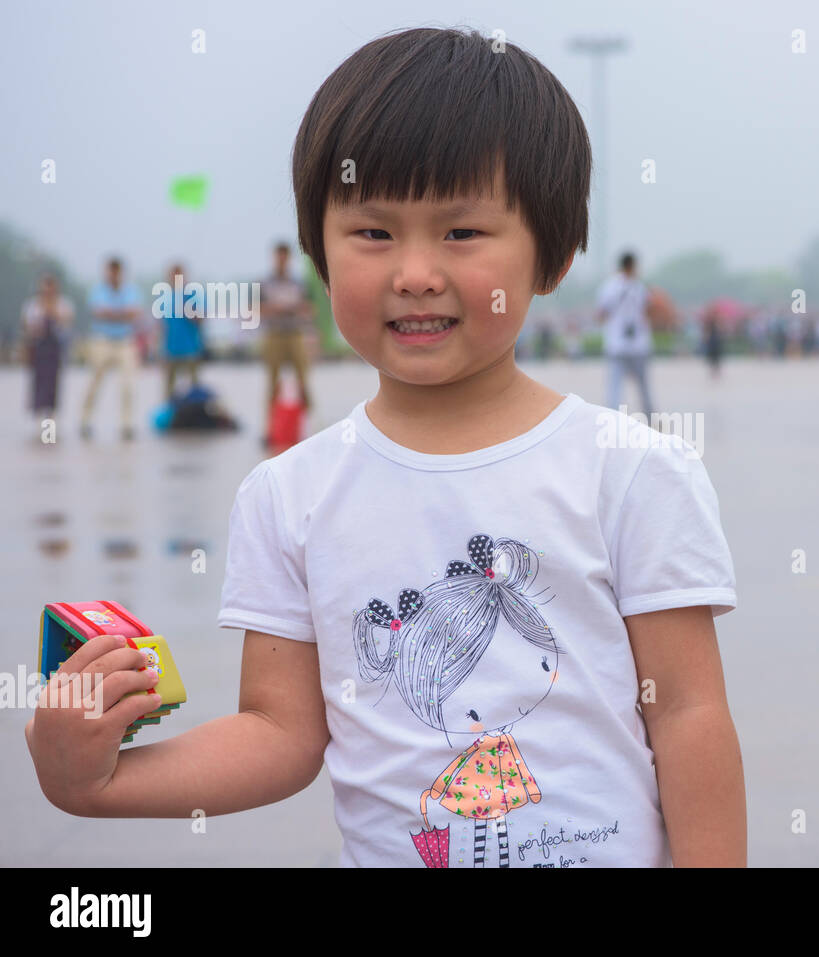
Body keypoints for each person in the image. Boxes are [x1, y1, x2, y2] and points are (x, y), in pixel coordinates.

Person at [25, 27, 743, 870]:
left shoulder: (630, 470)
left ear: (554, 254)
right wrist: (93, 782)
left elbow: (688, 713)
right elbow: (280, 732)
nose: (414, 272)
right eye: (372, 233)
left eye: (462, 233)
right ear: (320, 252)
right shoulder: (288, 495)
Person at [79, 256, 143, 441]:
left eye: (117, 272)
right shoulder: (98, 290)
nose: (114, 275)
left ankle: (127, 424)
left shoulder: (131, 290)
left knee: (128, 384)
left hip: (124, 341)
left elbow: (134, 313)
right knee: (94, 382)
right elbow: (99, 313)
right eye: (111, 271)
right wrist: (121, 314)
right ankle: (85, 420)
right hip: (102, 341)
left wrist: (113, 314)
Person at [260, 241, 315, 437]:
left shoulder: (297, 284)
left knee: (303, 379)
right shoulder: (265, 283)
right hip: (274, 335)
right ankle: (271, 428)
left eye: (284, 257)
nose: (281, 261)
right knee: (272, 381)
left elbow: (309, 309)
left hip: (295, 334)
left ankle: (308, 426)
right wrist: (282, 308)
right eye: (279, 257)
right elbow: (258, 310)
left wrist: (288, 308)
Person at [595, 251, 655, 414]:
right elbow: (648, 312)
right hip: (636, 344)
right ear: (632, 266)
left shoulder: (610, 287)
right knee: (643, 388)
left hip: (618, 344)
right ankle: (650, 418)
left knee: (615, 387)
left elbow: (601, 314)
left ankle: (612, 419)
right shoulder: (639, 287)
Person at [20, 273, 75, 429]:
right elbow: (27, 328)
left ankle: (50, 420)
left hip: (55, 350)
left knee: (53, 384)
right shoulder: (32, 306)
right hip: (38, 349)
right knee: (38, 382)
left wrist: (52, 311)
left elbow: (67, 322)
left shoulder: (63, 304)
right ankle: (39, 417)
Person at [157, 262, 206, 399]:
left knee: (194, 387)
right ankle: (170, 417)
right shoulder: (165, 297)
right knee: (169, 390)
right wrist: (161, 350)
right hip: (171, 350)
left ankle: (195, 415)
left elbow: (201, 319)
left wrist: (189, 309)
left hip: (191, 348)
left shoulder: (192, 295)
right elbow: (163, 327)